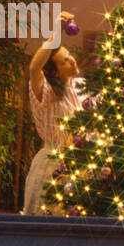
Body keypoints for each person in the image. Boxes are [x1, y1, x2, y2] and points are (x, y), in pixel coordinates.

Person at [22, 12, 82, 214]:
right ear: (55, 71)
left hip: (77, 164)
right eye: (64, 60)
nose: (72, 61)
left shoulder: (77, 88)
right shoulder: (45, 91)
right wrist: (55, 33)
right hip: (52, 167)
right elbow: (34, 67)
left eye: (69, 55)